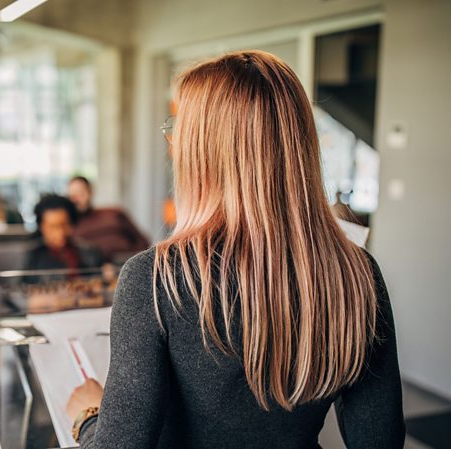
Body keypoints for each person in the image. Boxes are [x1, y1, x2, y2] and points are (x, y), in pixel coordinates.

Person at [66, 51, 404, 448]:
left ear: (201, 151)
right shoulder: (356, 272)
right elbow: (379, 439)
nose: (172, 145)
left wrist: (88, 417)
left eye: (178, 130)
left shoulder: (155, 279)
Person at [67, 176, 150, 263]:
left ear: (90, 192)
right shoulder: (70, 226)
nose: (76, 199)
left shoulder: (114, 213)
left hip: (131, 261)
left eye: (80, 193)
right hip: (98, 270)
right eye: (72, 196)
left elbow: (142, 241)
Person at [24, 194, 102, 272]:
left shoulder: (89, 252)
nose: (60, 233)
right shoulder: (30, 257)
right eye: (52, 227)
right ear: (41, 227)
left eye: (64, 225)